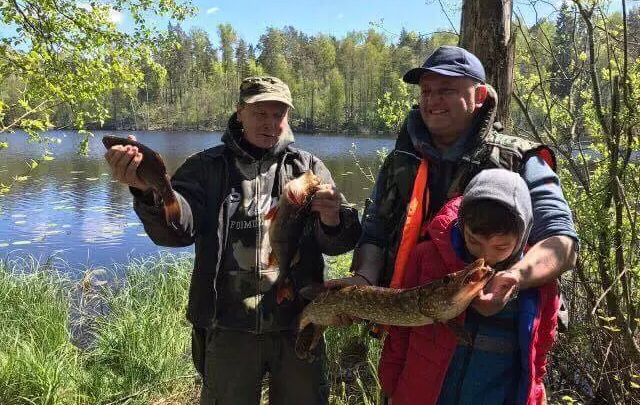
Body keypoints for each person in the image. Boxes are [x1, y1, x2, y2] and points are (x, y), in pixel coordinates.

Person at [104, 76, 361, 405]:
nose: (270, 124)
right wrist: (147, 192)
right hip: (225, 326)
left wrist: (334, 217)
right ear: (240, 112)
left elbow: (338, 243)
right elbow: (177, 231)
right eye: (260, 113)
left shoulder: (307, 167)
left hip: (298, 320)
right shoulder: (205, 168)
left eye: (278, 115)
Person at [330, 45, 577, 323]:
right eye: (426, 91)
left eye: (446, 90)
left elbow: (563, 243)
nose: (433, 100)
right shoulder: (400, 162)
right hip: (411, 324)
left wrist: (514, 278)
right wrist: (364, 277)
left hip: (492, 331)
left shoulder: (520, 160)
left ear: (480, 96)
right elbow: (374, 234)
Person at [379, 169, 559, 405]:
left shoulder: (539, 282)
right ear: (462, 226)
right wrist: (391, 386)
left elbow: (541, 344)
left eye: (501, 246)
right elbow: (400, 330)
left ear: (522, 235)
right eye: (474, 241)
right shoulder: (427, 258)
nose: (486, 256)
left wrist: (535, 391)